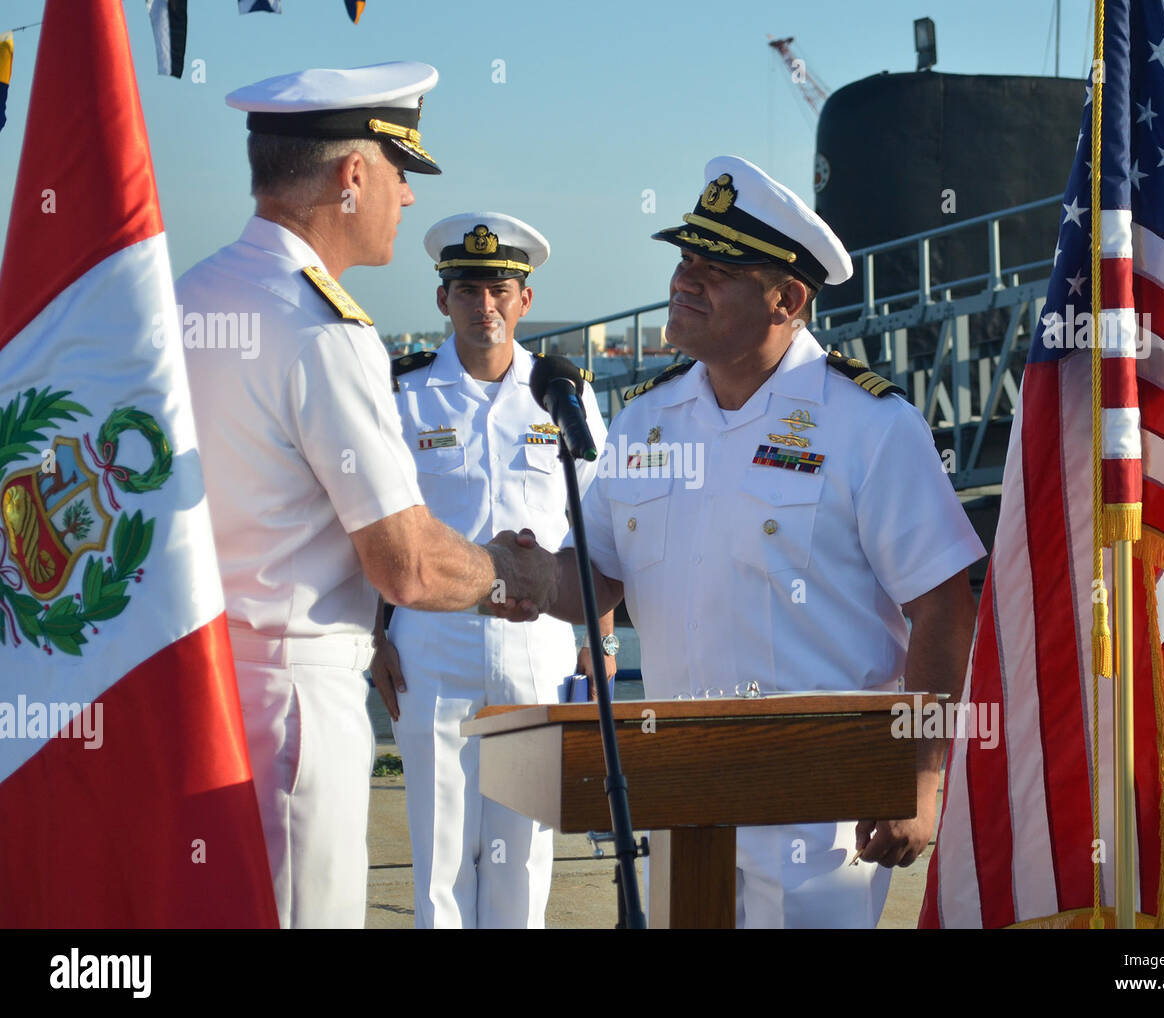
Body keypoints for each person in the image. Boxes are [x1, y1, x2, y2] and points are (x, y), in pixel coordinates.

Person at [500, 155, 985, 928]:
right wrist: (515, 574)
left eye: (715, 269)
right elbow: (594, 579)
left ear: (787, 299)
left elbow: (945, 610)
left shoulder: (867, 424)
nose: (684, 280)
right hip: (676, 790)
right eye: (685, 259)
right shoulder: (644, 421)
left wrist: (916, 780)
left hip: (818, 807)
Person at [175, 64, 555, 929]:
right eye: (401, 173)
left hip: (193, 694)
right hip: (292, 704)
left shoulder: (191, 296)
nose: (407, 200)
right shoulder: (321, 327)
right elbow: (407, 563)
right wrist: (511, 577)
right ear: (353, 177)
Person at [369, 212, 614, 928]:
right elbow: (367, 528)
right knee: (441, 865)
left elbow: (591, 529)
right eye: (468, 289)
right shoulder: (402, 395)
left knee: (524, 866)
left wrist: (600, 643)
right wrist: (371, 638)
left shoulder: (565, 398)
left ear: (524, 299)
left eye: (500, 289)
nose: (485, 305)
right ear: (442, 299)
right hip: (431, 647)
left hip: (536, 651)